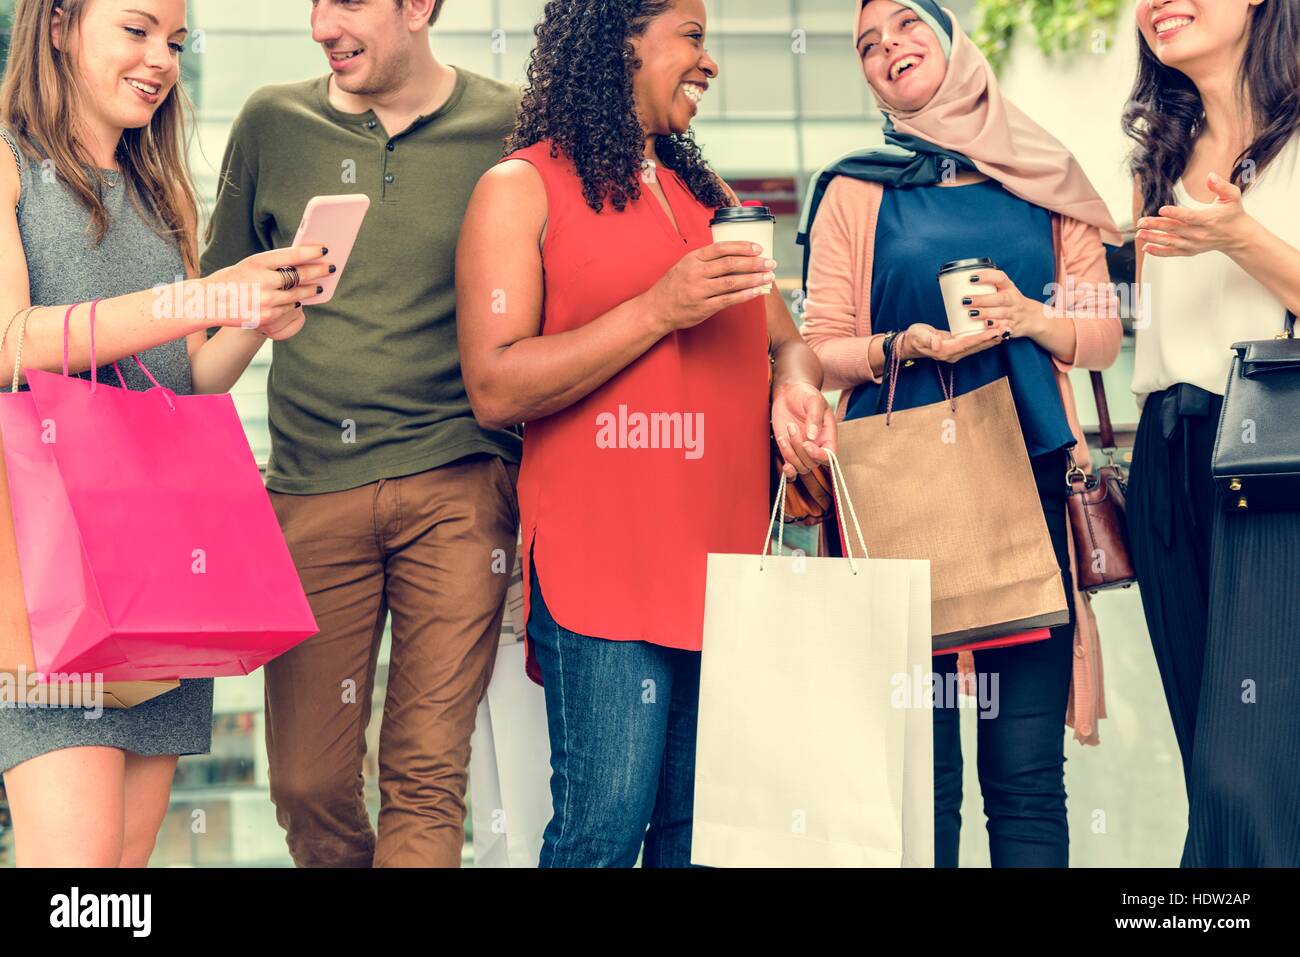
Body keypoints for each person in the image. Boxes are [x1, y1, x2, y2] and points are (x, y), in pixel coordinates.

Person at [457, 0, 836, 868]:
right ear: (621, 40)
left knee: (698, 837)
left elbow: (789, 343)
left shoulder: (714, 199)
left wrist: (794, 391)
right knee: (602, 832)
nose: (709, 64)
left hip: (727, 562)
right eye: (693, 38)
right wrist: (659, 309)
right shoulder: (520, 188)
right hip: (604, 567)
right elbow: (493, 381)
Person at [0, 0, 327, 867]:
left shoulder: (160, 190)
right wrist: (205, 294)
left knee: (119, 881)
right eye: (138, 30)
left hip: (158, 583)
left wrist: (255, 317)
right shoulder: (6, 164)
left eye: (176, 42)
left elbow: (191, 380)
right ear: (61, 25)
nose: (161, 60)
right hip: (47, 580)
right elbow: (9, 341)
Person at [799, 0, 1123, 867]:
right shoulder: (853, 189)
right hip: (898, 500)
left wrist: (1028, 316)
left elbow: (1101, 334)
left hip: (1025, 491)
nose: (887, 48)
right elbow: (818, 347)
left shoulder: (1046, 172)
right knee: (920, 783)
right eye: (867, 44)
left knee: (1024, 781)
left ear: (952, 40)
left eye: (907, 25)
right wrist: (898, 345)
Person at [200, 0, 523, 868]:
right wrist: (262, 296)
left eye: (345, 3)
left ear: (417, 7)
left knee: (424, 774)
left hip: (459, 483)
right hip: (308, 488)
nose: (319, 24)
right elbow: (203, 325)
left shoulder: (511, 126)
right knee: (307, 782)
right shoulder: (273, 122)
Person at [1124, 0, 1300, 866]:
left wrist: (1241, 237)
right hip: (1167, 451)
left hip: (1273, 458)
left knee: (1251, 767)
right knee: (1210, 759)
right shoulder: (1159, 157)